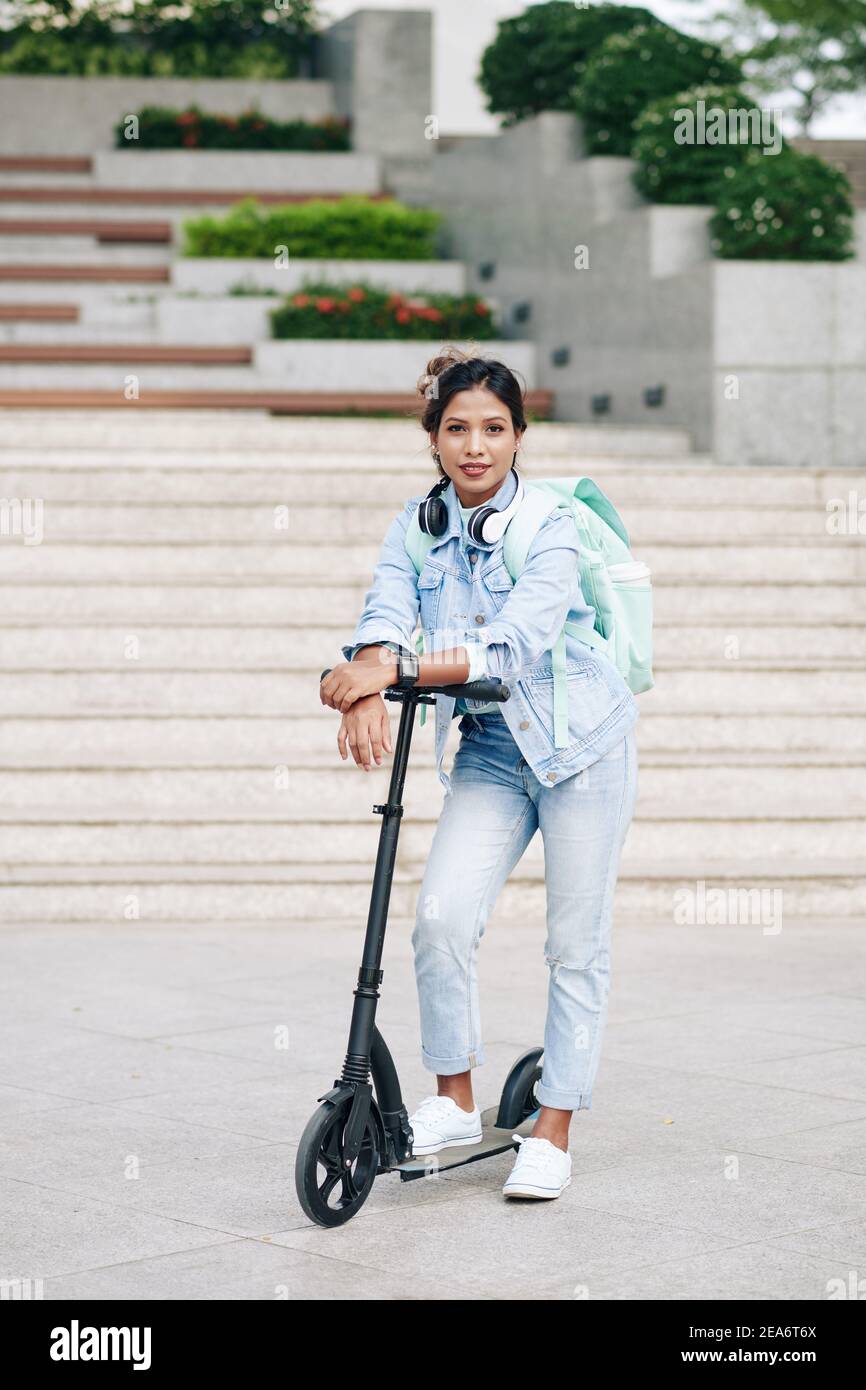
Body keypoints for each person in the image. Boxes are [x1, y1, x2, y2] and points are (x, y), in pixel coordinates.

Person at [320, 347, 639, 1200]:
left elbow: (514, 644)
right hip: (494, 752)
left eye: (494, 429)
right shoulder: (414, 527)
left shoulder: (551, 525)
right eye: (457, 428)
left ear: (518, 436)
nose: (475, 446)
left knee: (575, 947)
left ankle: (555, 1128)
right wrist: (362, 684)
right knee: (440, 921)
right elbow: (383, 613)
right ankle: (456, 1099)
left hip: (582, 746)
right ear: (432, 438)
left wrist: (388, 674)